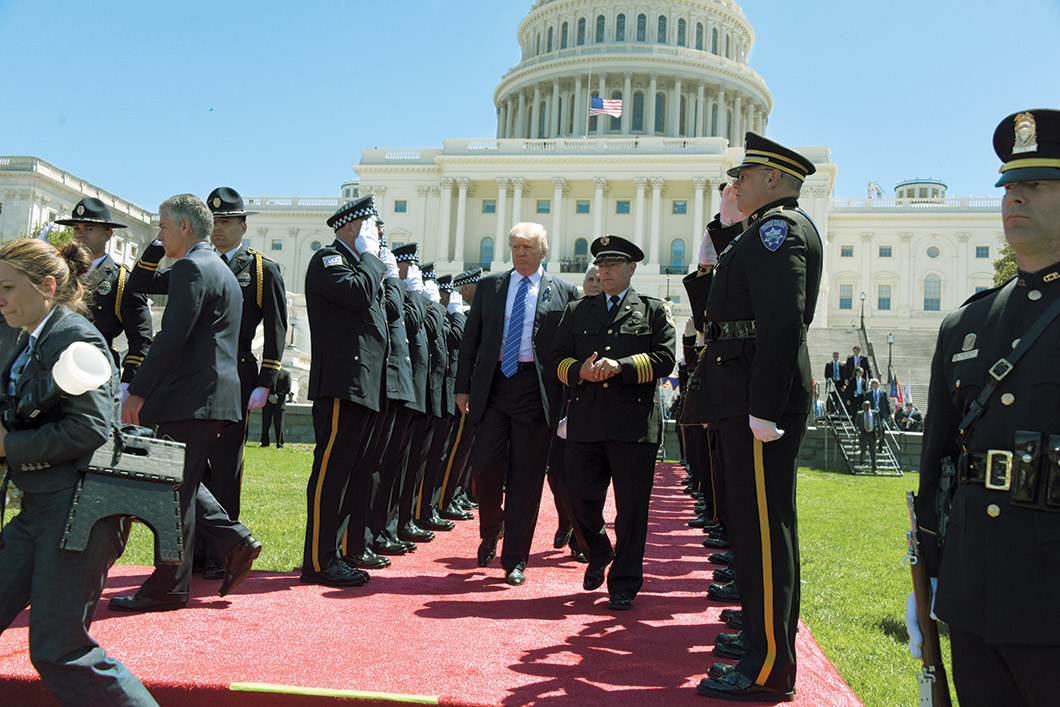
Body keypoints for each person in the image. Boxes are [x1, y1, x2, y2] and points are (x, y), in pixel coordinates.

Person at [912, 109, 1060, 706]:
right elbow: (937, 456)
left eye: (1037, 185)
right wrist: (931, 571)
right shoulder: (967, 324)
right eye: (1009, 186)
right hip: (973, 588)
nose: (1014, 198)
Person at [683, 133, 822, 702]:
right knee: (752, 526)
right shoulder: (759, 231)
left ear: (772, 178)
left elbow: (781, 322)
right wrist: (721, 234)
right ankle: (762, 641)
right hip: (739, 392)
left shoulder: (776, 230)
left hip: (754, 399)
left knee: (764, 531)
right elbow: (725, 309)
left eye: (743, 175)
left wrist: (764, 407)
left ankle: (768, 669)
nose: (734, 184)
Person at [0, 238, 158, 706]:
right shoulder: (34, 336)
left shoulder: (73, 338)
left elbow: (89, 427)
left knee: (61, 649)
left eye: (7, 287)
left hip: (77, 513)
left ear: (47, 286)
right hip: (41, 507)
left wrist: (8, 446)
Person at [110, 194, 261, 612]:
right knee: (180, 481)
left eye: (163, 226)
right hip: (211, 395)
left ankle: (168, 587)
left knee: (173, 491)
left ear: (184, 227)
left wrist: (139, 390)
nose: (158, 235)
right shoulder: (220, 268)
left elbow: (172, 336)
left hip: (192, 397)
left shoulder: (192, 268)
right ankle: (234, 541)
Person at [551, 235, 676, 610]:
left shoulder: (653, 310)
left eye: (613, 265)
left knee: (632, 510)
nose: (604, 272)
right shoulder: (577, 310)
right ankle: (599, 549)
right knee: (576, 496)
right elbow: (556, 358)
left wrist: (621, 366)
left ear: (631, 268)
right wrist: (579, 371)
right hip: (586, 420)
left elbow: (664, 358)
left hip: (632, 424)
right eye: (601, 266)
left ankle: (624, 582)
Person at [455, 222, 578, 586]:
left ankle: (515, 560)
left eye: (528, 247)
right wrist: (462, 388)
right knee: (485, 466)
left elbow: (568, 348)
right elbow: (471, 340)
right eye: (515, 247)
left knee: (527, 477)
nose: (521, 253)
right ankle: (492, 525)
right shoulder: (491, 286)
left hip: (536, 391)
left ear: (544, 251)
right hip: (494, 386)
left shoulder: (564, 292)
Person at [197, 187, 287, 577]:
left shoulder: (262, 269)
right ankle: (194, 551)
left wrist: (266, 380)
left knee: (225, 467)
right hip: (195, 376)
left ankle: (220, 553)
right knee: (193, 466)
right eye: (213, 221)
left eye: (227, 221)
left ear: (243, 226)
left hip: (237, 375)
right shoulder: (195, 262)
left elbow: (277, 328)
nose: (218, 228)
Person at [300, 195, 387, 588]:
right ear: (351, 227)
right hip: (341, 383)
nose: (377, 235)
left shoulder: (359, 266)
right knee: (331, 473)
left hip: (362, 385)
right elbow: (357, 295)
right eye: (371, 228)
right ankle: (319, 561)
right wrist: (370, 257)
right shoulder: (330, 260)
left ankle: (338, 553)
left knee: (350, 473)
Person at [55, 197, 153, 388]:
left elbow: (141, 339)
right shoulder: (59, 273)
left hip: (96, 371)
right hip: (55, 366)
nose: (80, 234)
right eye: (76, 228)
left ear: (108, 234)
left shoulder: (121, 279)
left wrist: (128, 385)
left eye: (89, 228)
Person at [260, 367, 291, 447]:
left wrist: (276, 396)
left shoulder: (286, 373)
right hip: (267, 401)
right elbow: (263, 386)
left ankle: (279, 443)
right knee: (266, 423)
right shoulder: (268, 372)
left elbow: (287, 388)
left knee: (279, 424)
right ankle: (265, 442)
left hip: (280, 403)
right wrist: (269, 396)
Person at [866, 378, 891, 451]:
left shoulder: (883, 393)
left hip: (880, 413)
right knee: (871, 429)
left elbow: (886, 403)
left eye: (877, 383)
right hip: (872, 413)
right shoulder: (868, 393)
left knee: (882, 429)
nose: (875, 385)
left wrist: (890, 414)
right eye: (874, 384)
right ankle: (871, 445)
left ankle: (881, 446)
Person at [855, 400, 879, 473]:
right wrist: (857, 428)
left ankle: (874, 468)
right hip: (864, 433)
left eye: (865, 406)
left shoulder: (875, 413)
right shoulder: (860, 414)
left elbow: (878, 424)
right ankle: (861, 461)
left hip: (872, 434)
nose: (864, 408)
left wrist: (879, 433)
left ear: (869, 406)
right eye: (863, 406)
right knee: (863, 449)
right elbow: (856, 423)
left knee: (873, 451)